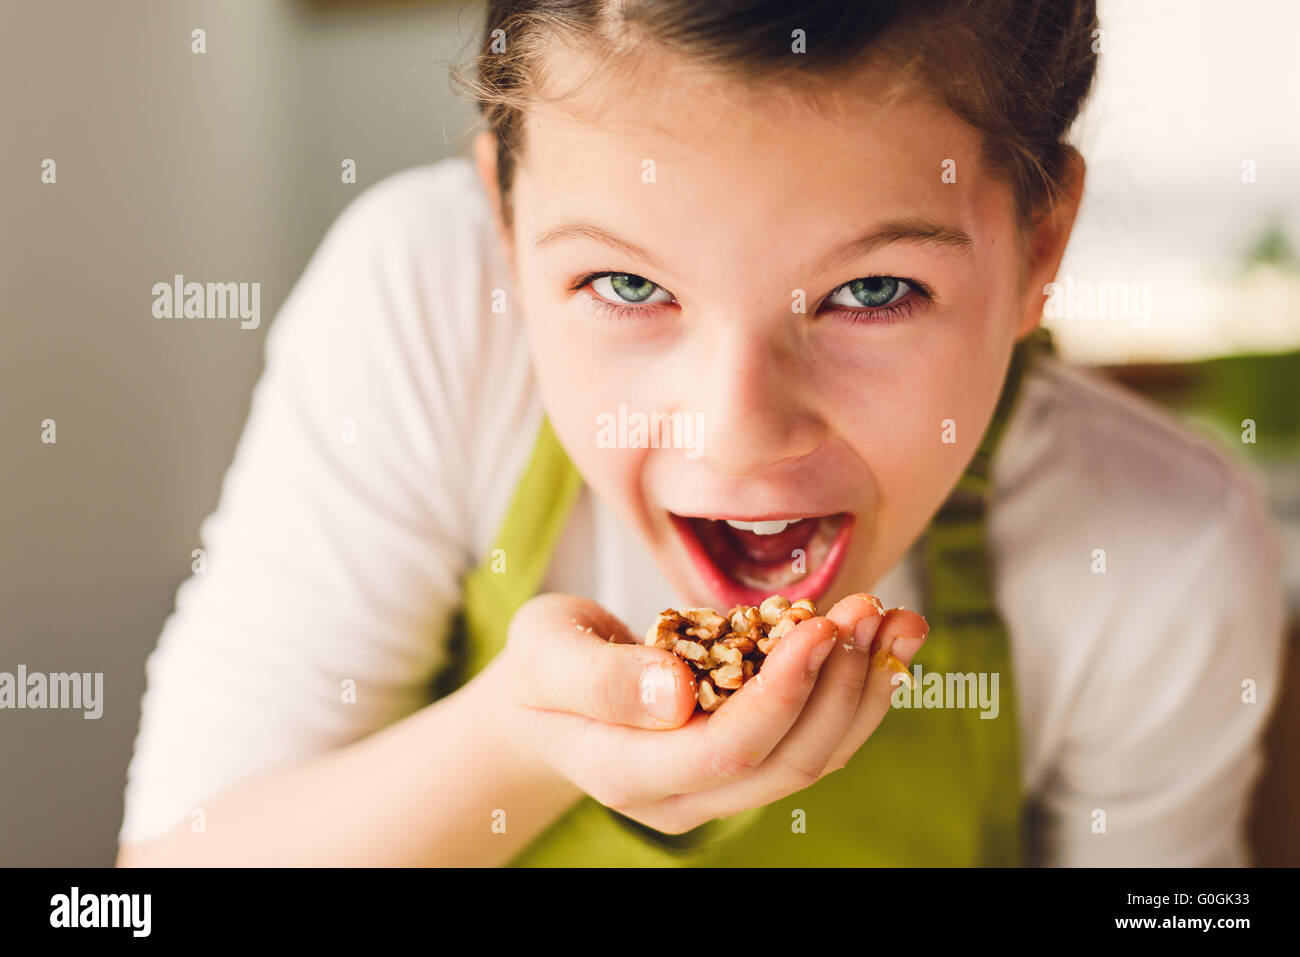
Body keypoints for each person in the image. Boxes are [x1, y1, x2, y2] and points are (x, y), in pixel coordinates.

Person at [116, 0, 1286, 866]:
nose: (738, 439)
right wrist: (518, 740)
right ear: (505, 229)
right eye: (627, 287)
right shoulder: (423, 309)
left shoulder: (1160, 548)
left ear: (1040, 246)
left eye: (871, 292)